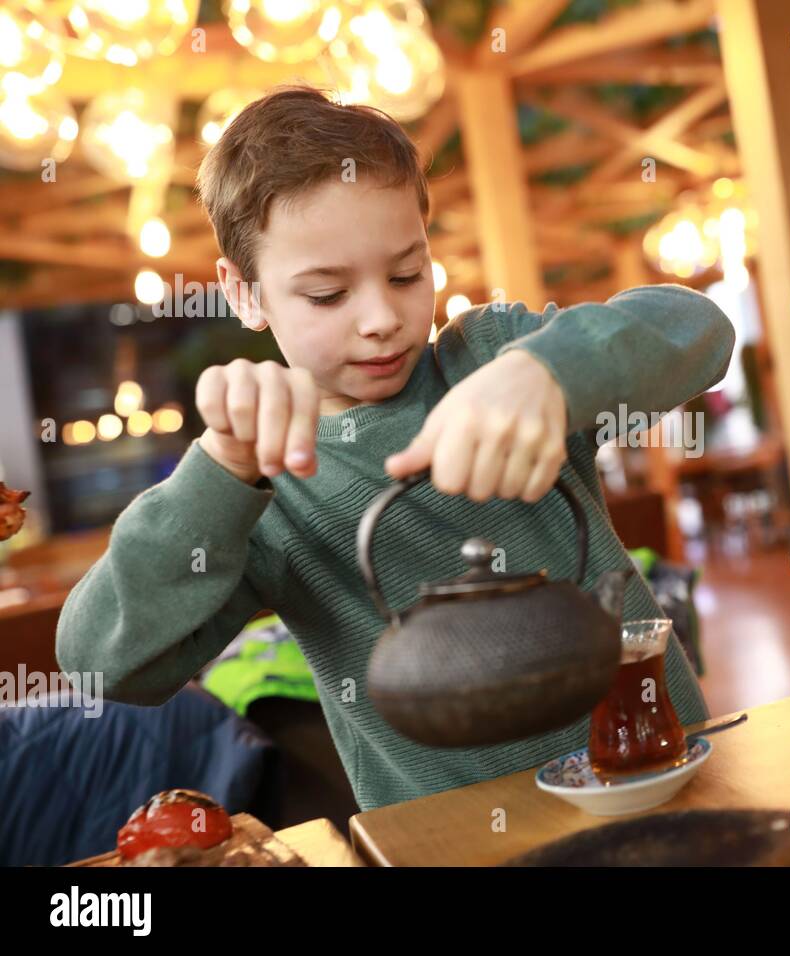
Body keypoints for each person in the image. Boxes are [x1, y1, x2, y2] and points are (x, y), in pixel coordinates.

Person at [55, 87, 735, 812]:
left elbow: (698, 330)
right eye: (326, 295)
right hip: (455, 843)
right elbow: (101, 666)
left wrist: (551, 371)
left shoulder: (496, 354)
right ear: (245, 293)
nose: (382, 318)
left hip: (663, 784)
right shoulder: (264, 482)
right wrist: (220, 466)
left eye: (408, 275)